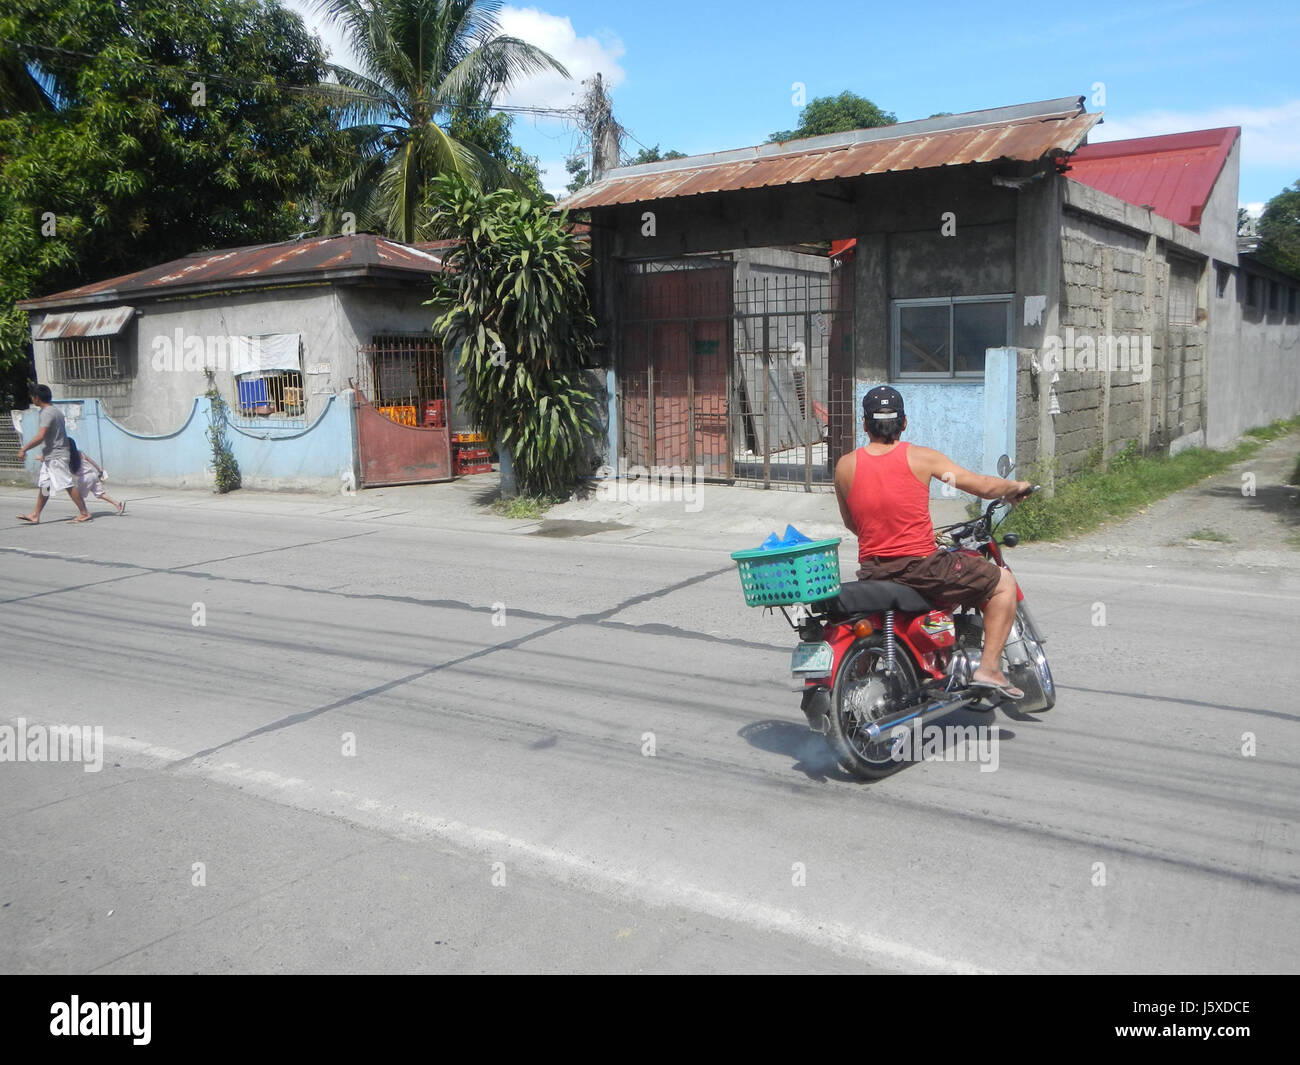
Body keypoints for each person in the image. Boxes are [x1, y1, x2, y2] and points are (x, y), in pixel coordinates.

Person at [833, 386, 1033, 698]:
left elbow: (852, 522)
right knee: (1002, 582)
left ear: (864, 424)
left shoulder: (845, 466)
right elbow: (980, 485)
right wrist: (1013, 486)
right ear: (904, 423)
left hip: (873, 571)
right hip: (922, 568)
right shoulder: (921, 457)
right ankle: (989, 668)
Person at [16, 384, 91, 524]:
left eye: (33, 396)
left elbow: (41, 436)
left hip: (56, 456)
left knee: (67, 484)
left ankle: (84, 512)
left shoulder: (47, 413)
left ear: (37, 398)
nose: (32, 399)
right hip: (51, 456)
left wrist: (24, 448)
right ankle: (35, 514)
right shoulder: (55, 411)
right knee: (45, 485)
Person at [67, 439, 125, 515]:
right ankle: (117, 504)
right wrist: (99, 470)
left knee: (78, 497)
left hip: (84, 478)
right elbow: (92, 462)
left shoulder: (68, 458)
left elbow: (72, 472)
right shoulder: (80, 453)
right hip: (93, 475)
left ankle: (84, 513)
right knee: (100, 494)